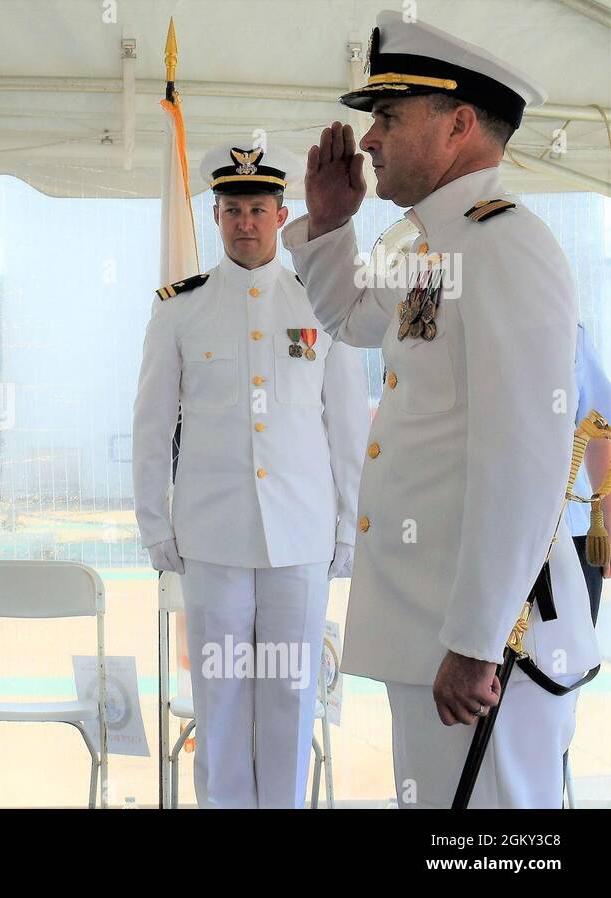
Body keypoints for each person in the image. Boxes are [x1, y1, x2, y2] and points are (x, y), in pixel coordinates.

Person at [283, 10, 599, 808]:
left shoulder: (504, 246)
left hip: (485, 646)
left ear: (460, 124)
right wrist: (328, 226)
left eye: (389, 117)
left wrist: (476, 639)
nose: (368, 141)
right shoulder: (431, 247)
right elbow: (354, 320)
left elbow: (523, 460)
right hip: (436, 630)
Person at [133, 141, 368, 808]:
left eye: (258, 209)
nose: (245, 222)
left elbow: (346, 426)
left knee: (293, 699)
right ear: (216, 215)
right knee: (222, 701)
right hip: (212, 538)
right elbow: (151, 426)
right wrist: (156, 523)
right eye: (232, 209)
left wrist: (349, 529)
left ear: (281, 211)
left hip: (300, 536)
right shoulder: (179, 308)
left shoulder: (319, 302)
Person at [569, 324, 611, 622]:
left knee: (572, 663)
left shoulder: (570, 334)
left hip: (572, 536)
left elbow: (600, 433)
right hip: (461, 535)